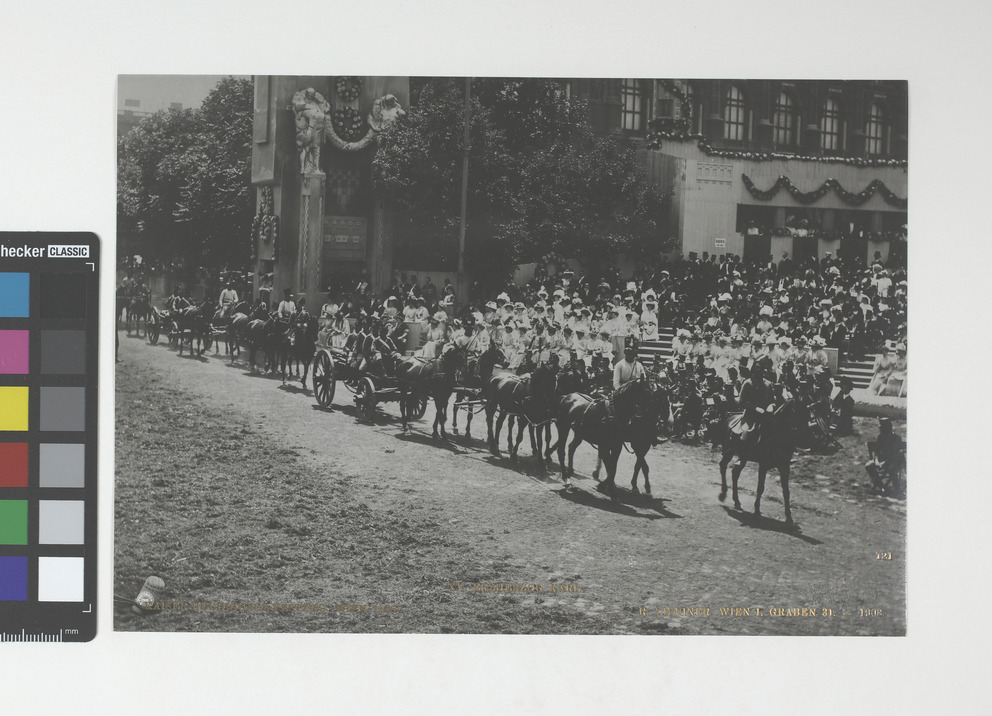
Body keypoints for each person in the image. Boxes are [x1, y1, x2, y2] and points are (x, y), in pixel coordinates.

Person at [865, 418, 905, 496]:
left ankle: (897, 490)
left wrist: (883, 463)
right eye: (880, 427)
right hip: (882, 460)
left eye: (883, 427)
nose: (880, 429)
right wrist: (876, 461)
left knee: (891, 469)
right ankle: (882, 487)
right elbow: (877, 452)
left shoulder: (896, 438)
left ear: (888, 427)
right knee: (868, 465)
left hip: (895, 461)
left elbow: (895, 455)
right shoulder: (881, 437)